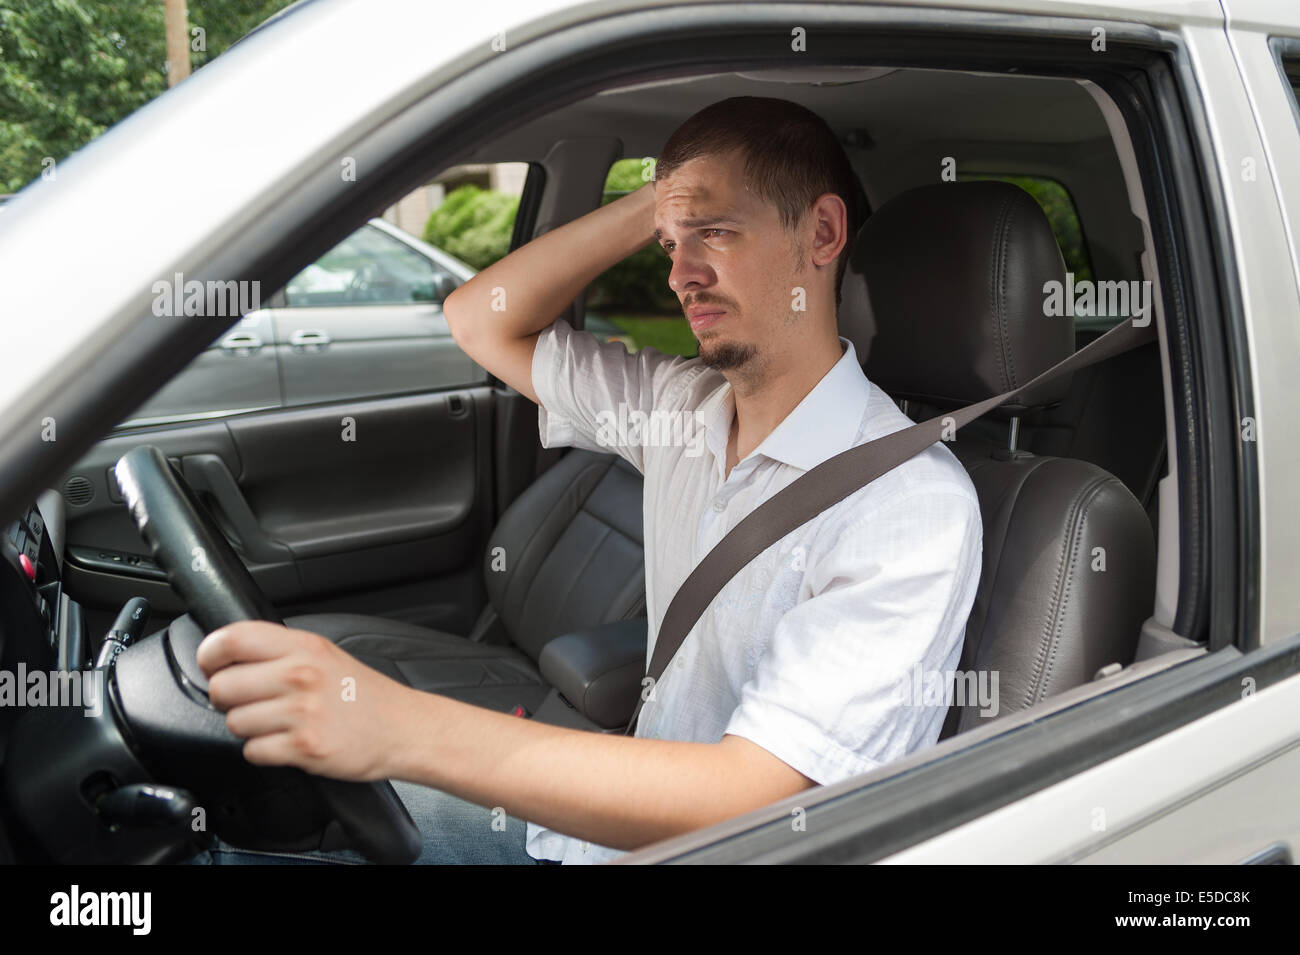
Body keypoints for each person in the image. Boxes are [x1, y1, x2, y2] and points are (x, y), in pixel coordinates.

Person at [187, 96, 982, 866]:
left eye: (715, 231)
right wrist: (655, 206)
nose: (681, 275)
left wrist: (396, 725)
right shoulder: (680, 408)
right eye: (673, 245)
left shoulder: (908, 505)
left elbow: (754, 801)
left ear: (822, 232)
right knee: (263, 817)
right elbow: (479, 318)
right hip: (608, 830)